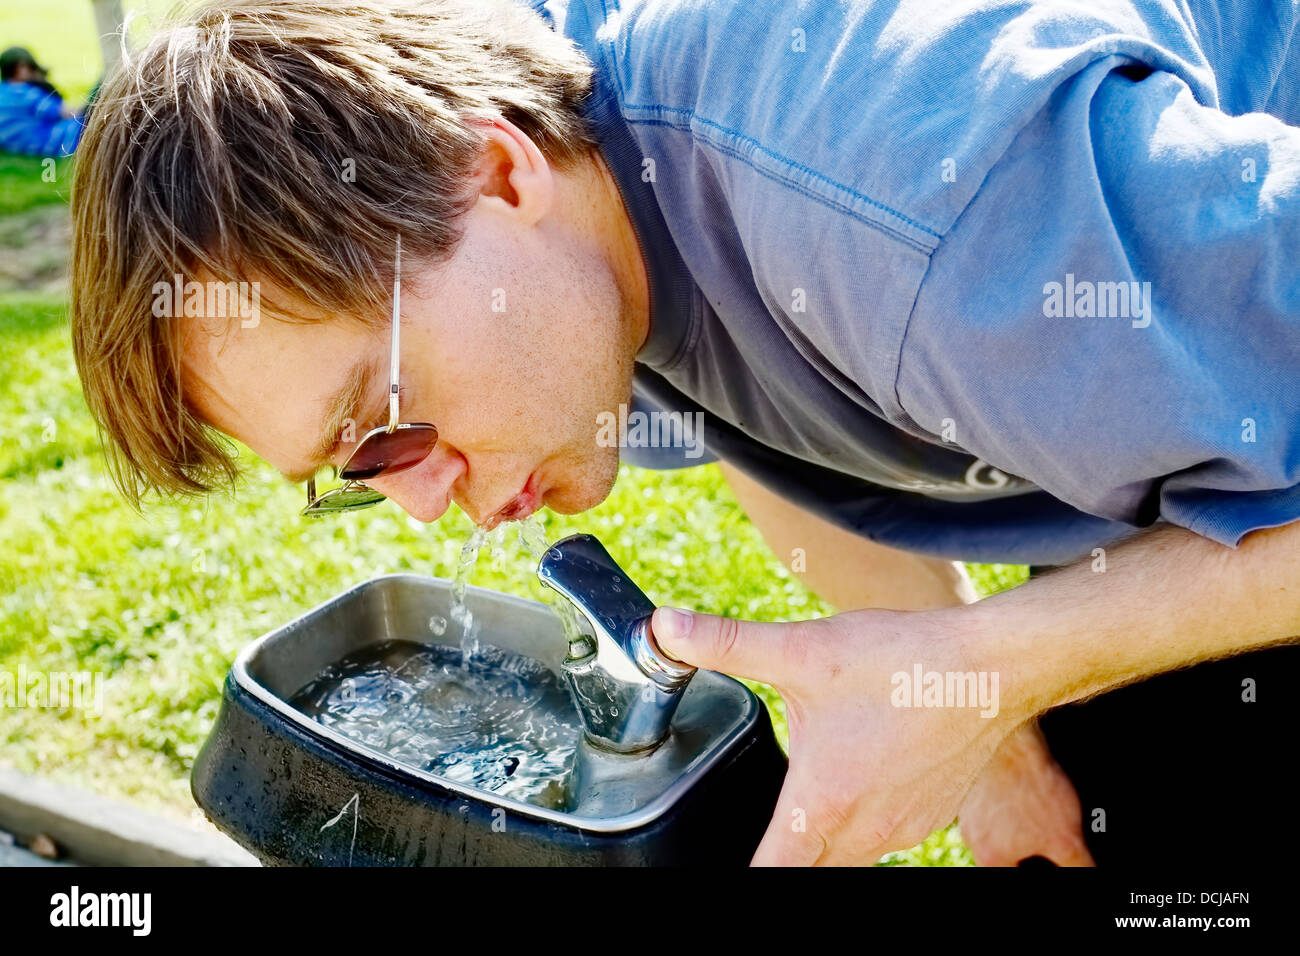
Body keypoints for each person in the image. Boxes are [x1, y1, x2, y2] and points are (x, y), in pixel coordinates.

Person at [67, 0, 1299, 866]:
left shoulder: (933, 224)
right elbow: (768, 433)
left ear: (493, 176)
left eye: (383, 420)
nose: (424, 500)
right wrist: (988, 739)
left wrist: (993, 669)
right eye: (353, 471)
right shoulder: (575, 246)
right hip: (1130, 430)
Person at [0, 46, 86, 157]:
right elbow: (65, 112)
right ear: (21, 68)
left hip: (17, 145)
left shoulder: (3, 91)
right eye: (32, 68)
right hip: (51, 144)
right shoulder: (26, 94)